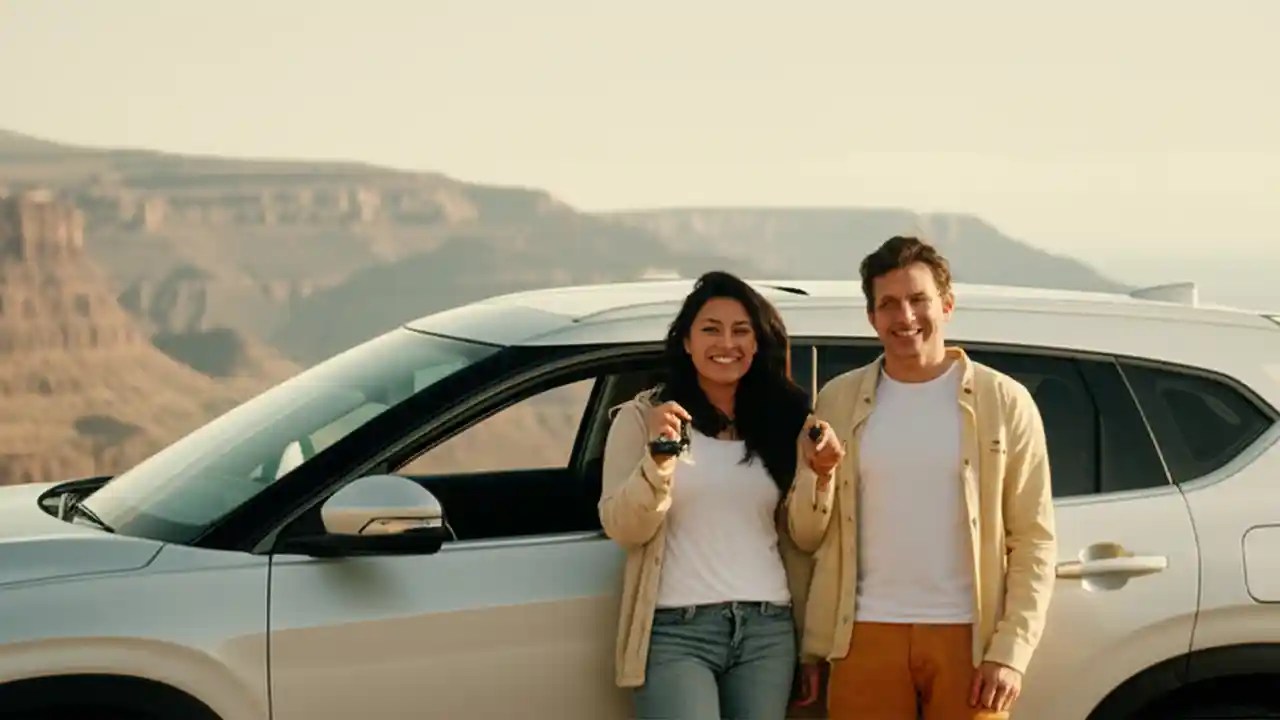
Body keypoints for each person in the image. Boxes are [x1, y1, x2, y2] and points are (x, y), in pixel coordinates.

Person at [789, 236, 1057, 719]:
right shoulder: (838, 400)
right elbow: (808, 535)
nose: (904, 316)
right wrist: (820, 476)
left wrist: (1009, 653)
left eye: (918, 300)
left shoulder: (1004, 402)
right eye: (888, 304)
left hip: (968, 641)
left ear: (947, 305)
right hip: (862, 634)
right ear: (871, 317)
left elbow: (1034, 540)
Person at [598, 270, 844, 720]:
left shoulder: (786, 421)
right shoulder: (644, 419)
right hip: (676, 631)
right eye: (710, 330)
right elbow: (624, 527)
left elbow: (806, 537)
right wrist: (658, 460)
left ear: (756, 344)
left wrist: (822, 474)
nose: (725, 344)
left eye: (740, 331)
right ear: (686, 342)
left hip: (767, 630)